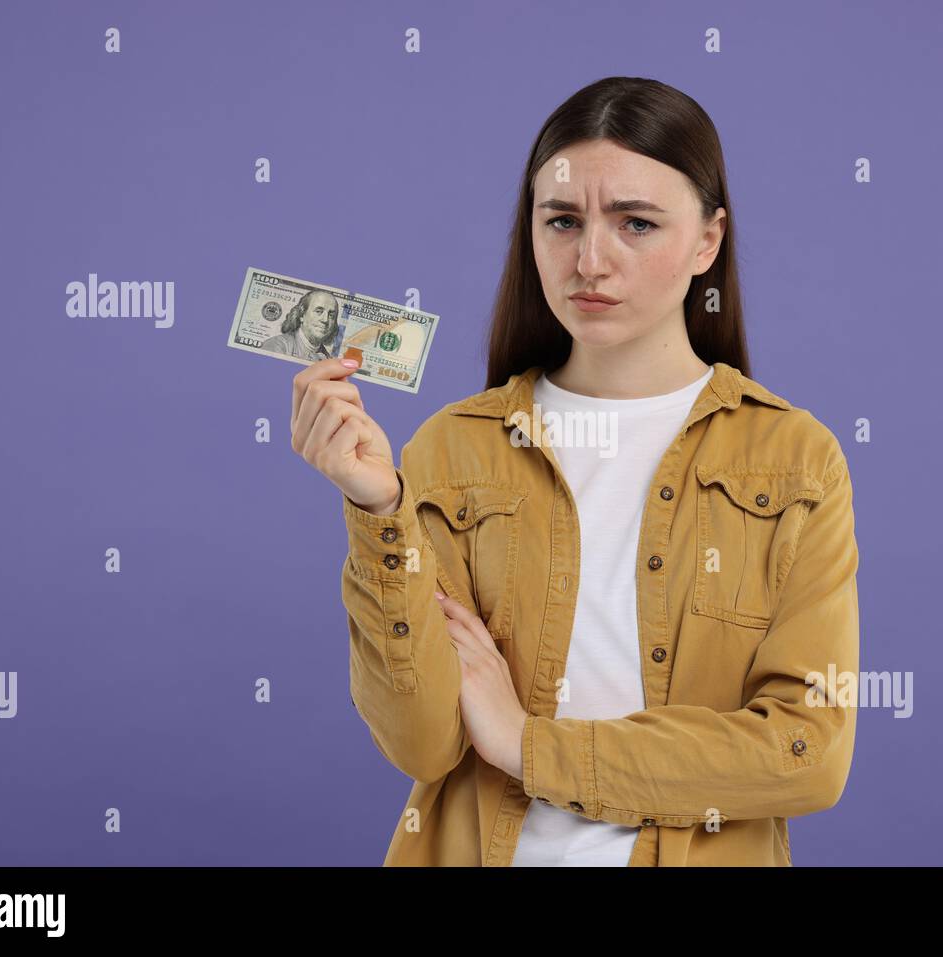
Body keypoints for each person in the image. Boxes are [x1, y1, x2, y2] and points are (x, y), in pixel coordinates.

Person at [290, 76, 860, 866]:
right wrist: (376, 504)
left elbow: (809, 749)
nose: (590, 260)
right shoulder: (450, 452)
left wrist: (532, 747)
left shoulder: (797, 460)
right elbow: (422, 744)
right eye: (562, 220)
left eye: (636, 223)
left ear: (708, 240)